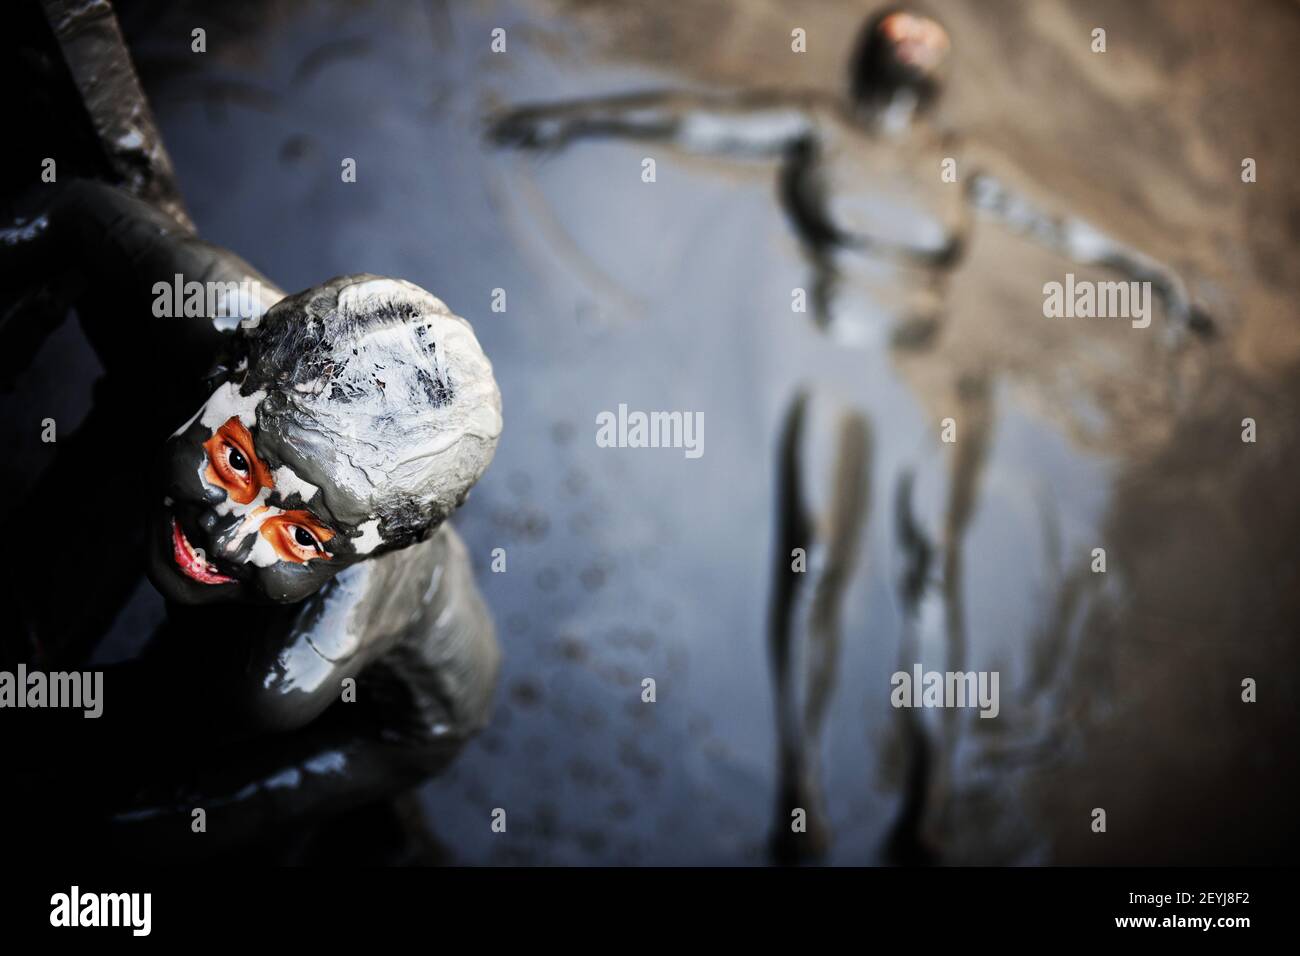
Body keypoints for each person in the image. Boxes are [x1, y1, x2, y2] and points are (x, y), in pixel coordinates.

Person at [1, 179, 503, 860]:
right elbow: (68, 211)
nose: (229, 534)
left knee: (142, 818)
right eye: (238, 462)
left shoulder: (278, 676)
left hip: (388, 726)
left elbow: (139, 718)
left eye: (298, 533)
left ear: (375, 551)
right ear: (236, 360)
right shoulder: (214, 306)